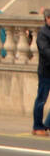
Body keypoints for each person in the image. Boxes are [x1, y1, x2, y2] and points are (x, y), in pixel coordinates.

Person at [32, 7, 50, 136]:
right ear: (46, 19)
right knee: (41, 99)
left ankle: (47, 124)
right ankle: (37, 126)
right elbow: (45, 51)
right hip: (46, 72)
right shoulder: (43, 33)